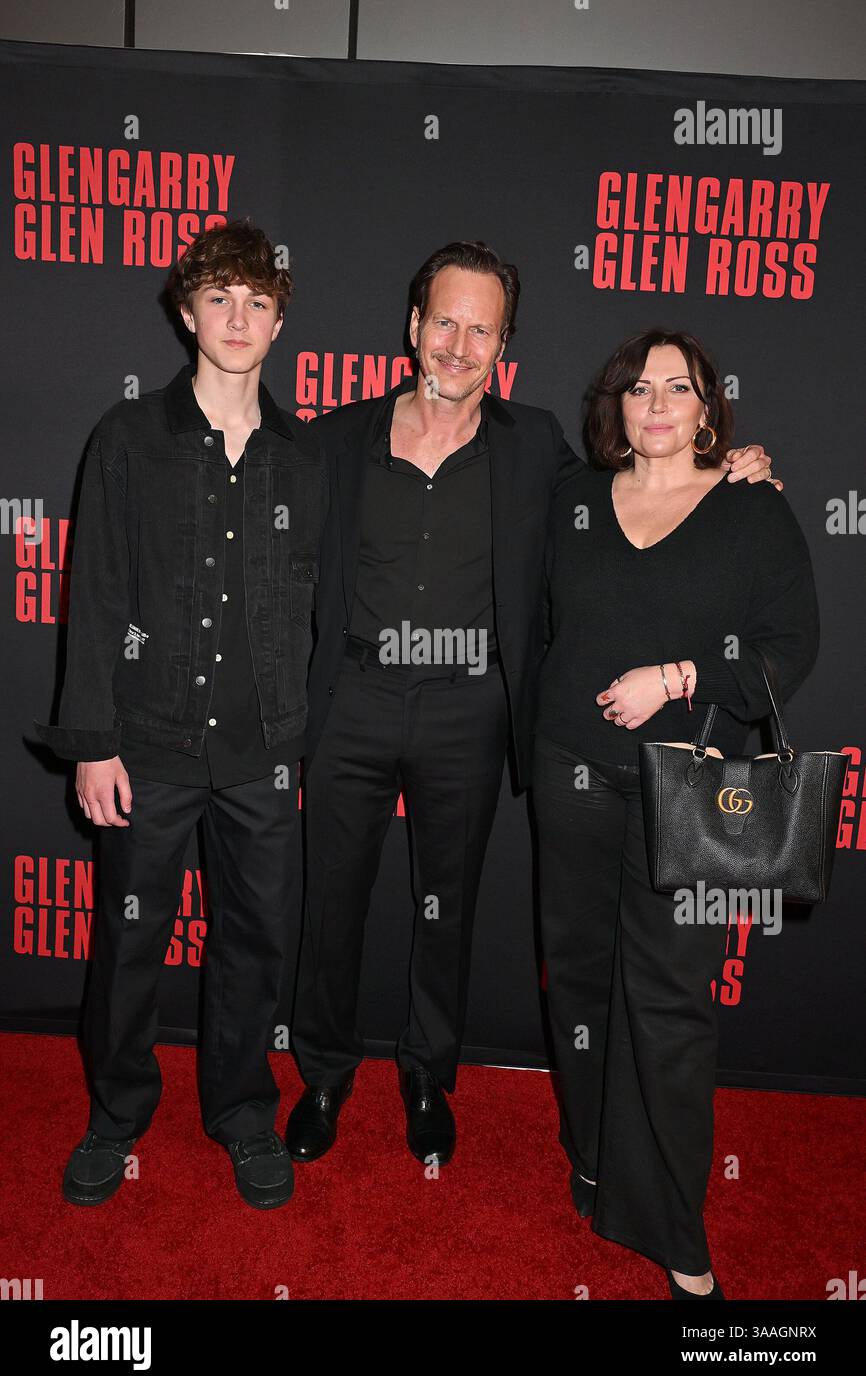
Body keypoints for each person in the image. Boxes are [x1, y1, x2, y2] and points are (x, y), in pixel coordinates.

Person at [286, 243, 776, 1169]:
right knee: (331, 902)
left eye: (482, 328)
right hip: (350, 698)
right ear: (413, 327)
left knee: (447, 905)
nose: (460, 344)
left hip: (469, 709)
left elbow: (642, 484)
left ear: (503, 344)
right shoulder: (334, 440)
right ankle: (322, 1072)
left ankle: (428, 1071)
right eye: (445, 321)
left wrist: (732, 472)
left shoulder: (535, 447)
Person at [35, 219, 328, 1210]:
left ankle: (243, 1111)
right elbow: (97, 594)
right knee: (127, 940)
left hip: (261, 754)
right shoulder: (127, 439)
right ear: (185, 311)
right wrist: (92, 744)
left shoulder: (305, 458)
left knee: (255, 942)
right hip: (147, 746)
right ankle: (116, 1114)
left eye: (257, 301)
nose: (238, 318)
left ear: (279, 319)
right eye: (219, 299)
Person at [532, 328, 819, 1298]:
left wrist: (681, 676)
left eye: (677, 388)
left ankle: (676, 1231)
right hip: (568, 771)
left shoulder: (749, 510)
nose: (654, 403)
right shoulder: (572, 499)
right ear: (615, 406)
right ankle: (592, 1156)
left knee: (668, 1006)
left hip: (689, 784)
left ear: (707, 407)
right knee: (575, 982)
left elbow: (788, 648)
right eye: (637, 388)